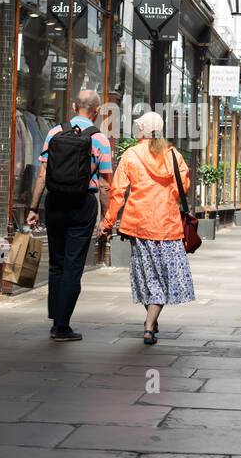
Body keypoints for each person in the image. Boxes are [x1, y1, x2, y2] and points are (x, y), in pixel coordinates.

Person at [100, 110, 195, 344]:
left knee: (145, 275)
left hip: (139, 224)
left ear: (142, 129)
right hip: (168, 225)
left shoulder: (131, 155)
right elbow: (182, 187)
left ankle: (149, 324)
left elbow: (118, 192)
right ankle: (151, 322)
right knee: (162, 277)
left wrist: (108, 222)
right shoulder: (173, 155)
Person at [26, 88, 112, 342]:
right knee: (74, 263)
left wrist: (33, 208)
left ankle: (56, 319)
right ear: (96, 111)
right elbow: (105, 185)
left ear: (74, 106)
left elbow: (42, 174)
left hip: (55, 203)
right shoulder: (100, 139)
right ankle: (62, 325)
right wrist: (108, 217)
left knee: (57, 262)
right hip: (83, 203)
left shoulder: (54, 132)